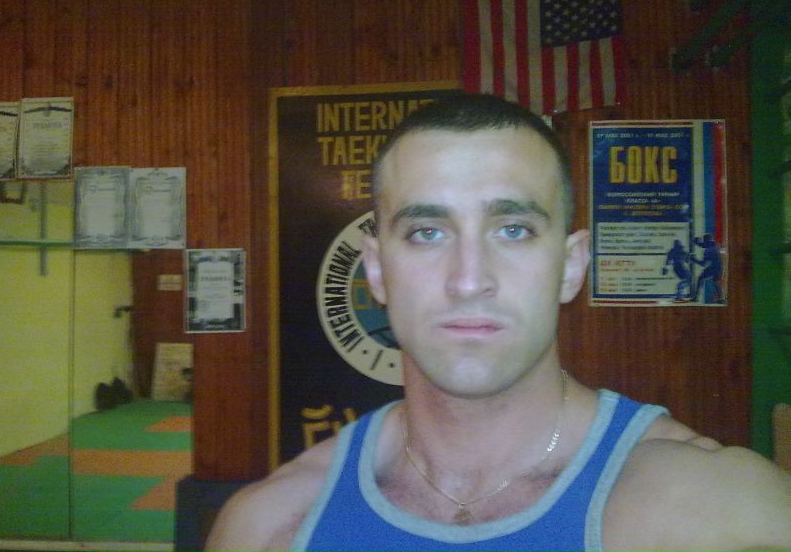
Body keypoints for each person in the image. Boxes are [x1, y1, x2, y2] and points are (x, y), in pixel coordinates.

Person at [205, 94, 790, 552]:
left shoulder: (724, 513)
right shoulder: (271, 527)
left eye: (513, 230)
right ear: (377, 272)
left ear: (570, 267)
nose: (469, 279)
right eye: (426, 232)